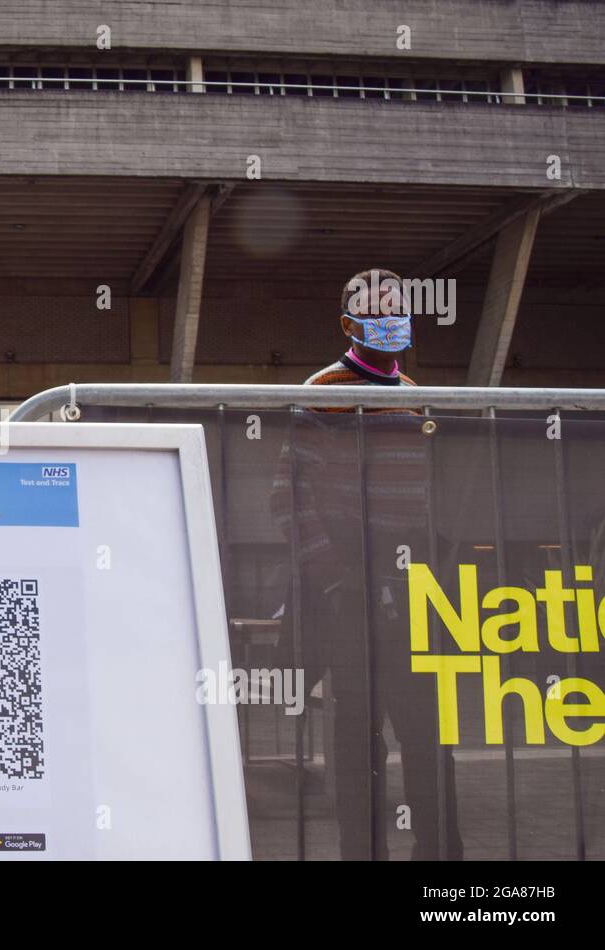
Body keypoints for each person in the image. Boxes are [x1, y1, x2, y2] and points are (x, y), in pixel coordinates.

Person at [272, 269, 463, 860]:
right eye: (377, 310)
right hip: (349, 591)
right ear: (349, 322)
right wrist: (336, 581)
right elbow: (288, 497)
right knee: (357, 743)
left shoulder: (410, 392)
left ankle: (439, 862)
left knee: (430, 739)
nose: (390, 320)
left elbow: (423, 497)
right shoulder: (323, 388)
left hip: (408, 591)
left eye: (398, 309)